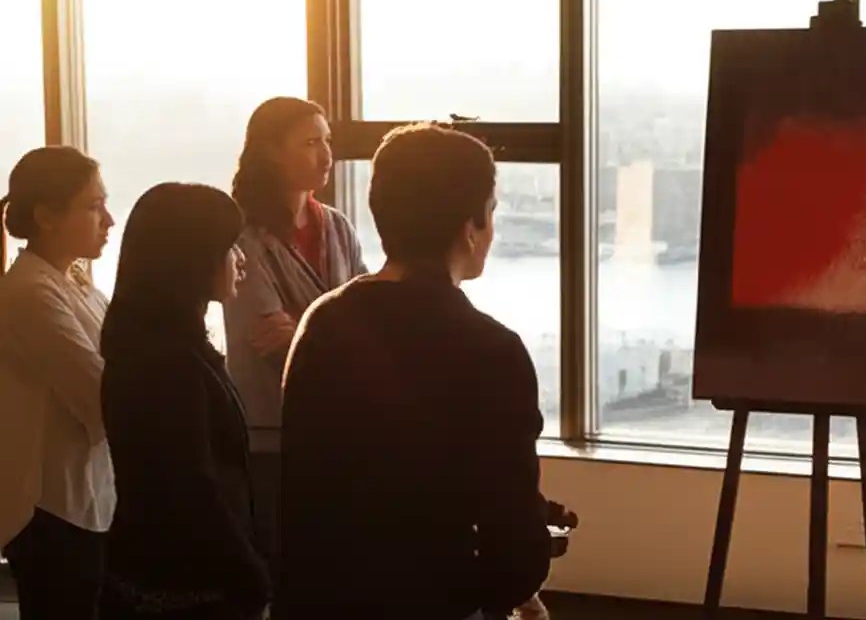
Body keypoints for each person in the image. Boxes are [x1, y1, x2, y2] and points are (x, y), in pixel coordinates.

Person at [278, 122, 550, 619]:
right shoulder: (492, 350)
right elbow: (511, 538)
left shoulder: (323, 322)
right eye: (490, 214)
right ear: (469, 229)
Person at [98, 183, 269, 620]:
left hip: (177, 574)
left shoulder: (163, 345)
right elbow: (192, 488)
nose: (240, 259)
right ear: (192, 258)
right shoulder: (166, 362)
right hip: (186, 588)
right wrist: (251, 575)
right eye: (230, 246)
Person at [222, 96, 367, 580]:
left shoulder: (338, 227)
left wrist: (305, 324)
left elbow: (368, 318)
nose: (326, 156)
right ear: (269, 151)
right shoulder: (241, 237)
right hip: (272, 430)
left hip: (340, 428)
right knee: (282, 567)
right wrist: (339, 332)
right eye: (309, 143)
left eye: (327, 141)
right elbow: (268, 336)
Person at [0, 146, 116, 619]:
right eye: (92, 206)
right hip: (52, 506)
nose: (108, 219)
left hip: (89, 498)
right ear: (46, 215)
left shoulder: (75, 282)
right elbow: (102, 394)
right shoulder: (29, 293)